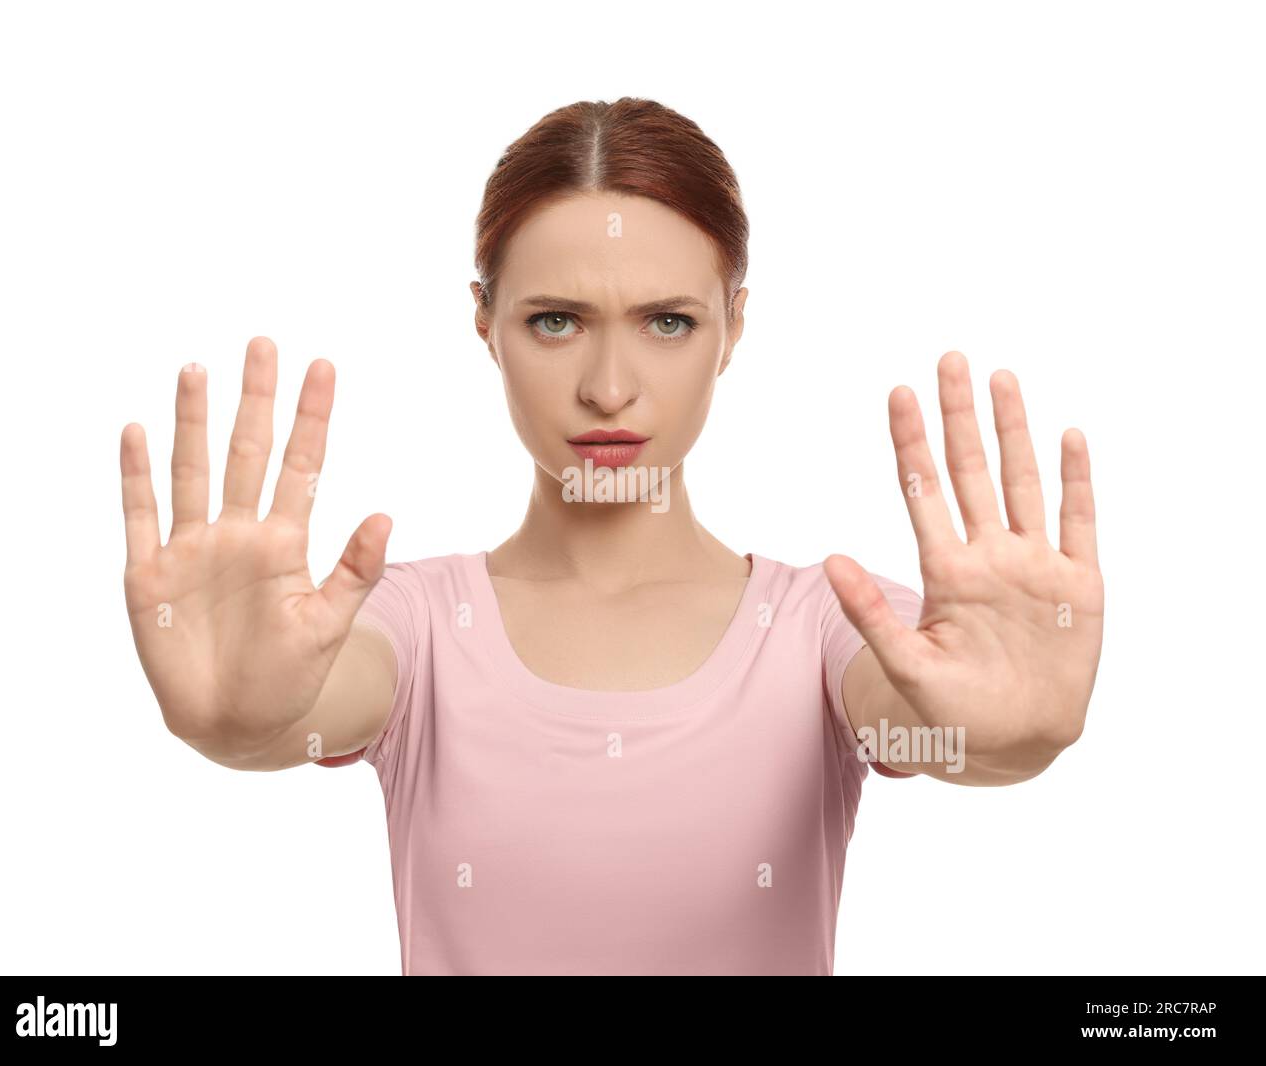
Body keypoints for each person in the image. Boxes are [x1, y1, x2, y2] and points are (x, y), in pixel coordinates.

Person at [119, 97, 1104, 975]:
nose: (607, 386)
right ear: (485, 323)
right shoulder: (413, 627)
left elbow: (947, 726)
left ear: (734, 325)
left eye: (667, 322)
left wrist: (1012, 732)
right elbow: (300, 705)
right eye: (555, 321)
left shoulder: (828, 629)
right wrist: (237, 719)